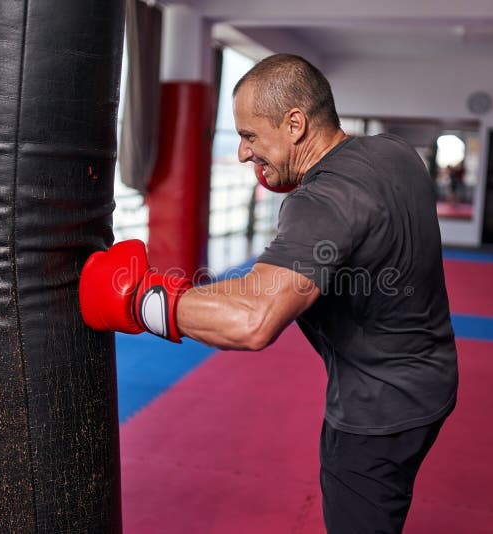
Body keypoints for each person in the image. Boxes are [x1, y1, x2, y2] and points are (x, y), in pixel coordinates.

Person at [79, 53, 458, 533]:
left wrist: (139, 301)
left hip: (377, 410)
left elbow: (252, 320)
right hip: (434, 376)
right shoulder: (394, 152)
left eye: (249, 136)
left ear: (295, 124)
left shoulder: (322, 202)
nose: (242, 153)